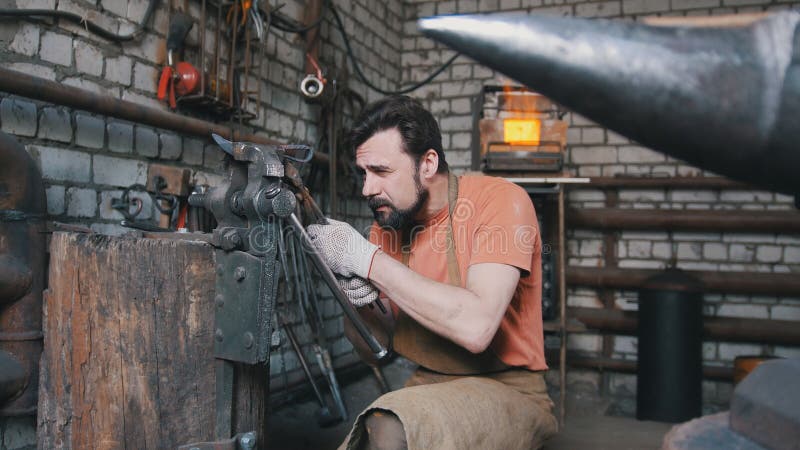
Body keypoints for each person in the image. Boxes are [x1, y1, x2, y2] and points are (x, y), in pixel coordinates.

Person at [307, 95, 557, 450]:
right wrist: (354, 295)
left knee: (389, 423)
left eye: (381, 171)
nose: (367, 189)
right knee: (363, 439)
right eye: (364, 173)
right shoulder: (388, 226)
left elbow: (477, 328)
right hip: (429, 381)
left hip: (511, 389)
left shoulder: (500, 201)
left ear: (427, 164)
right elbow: (373, 348)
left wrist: (367, 261)